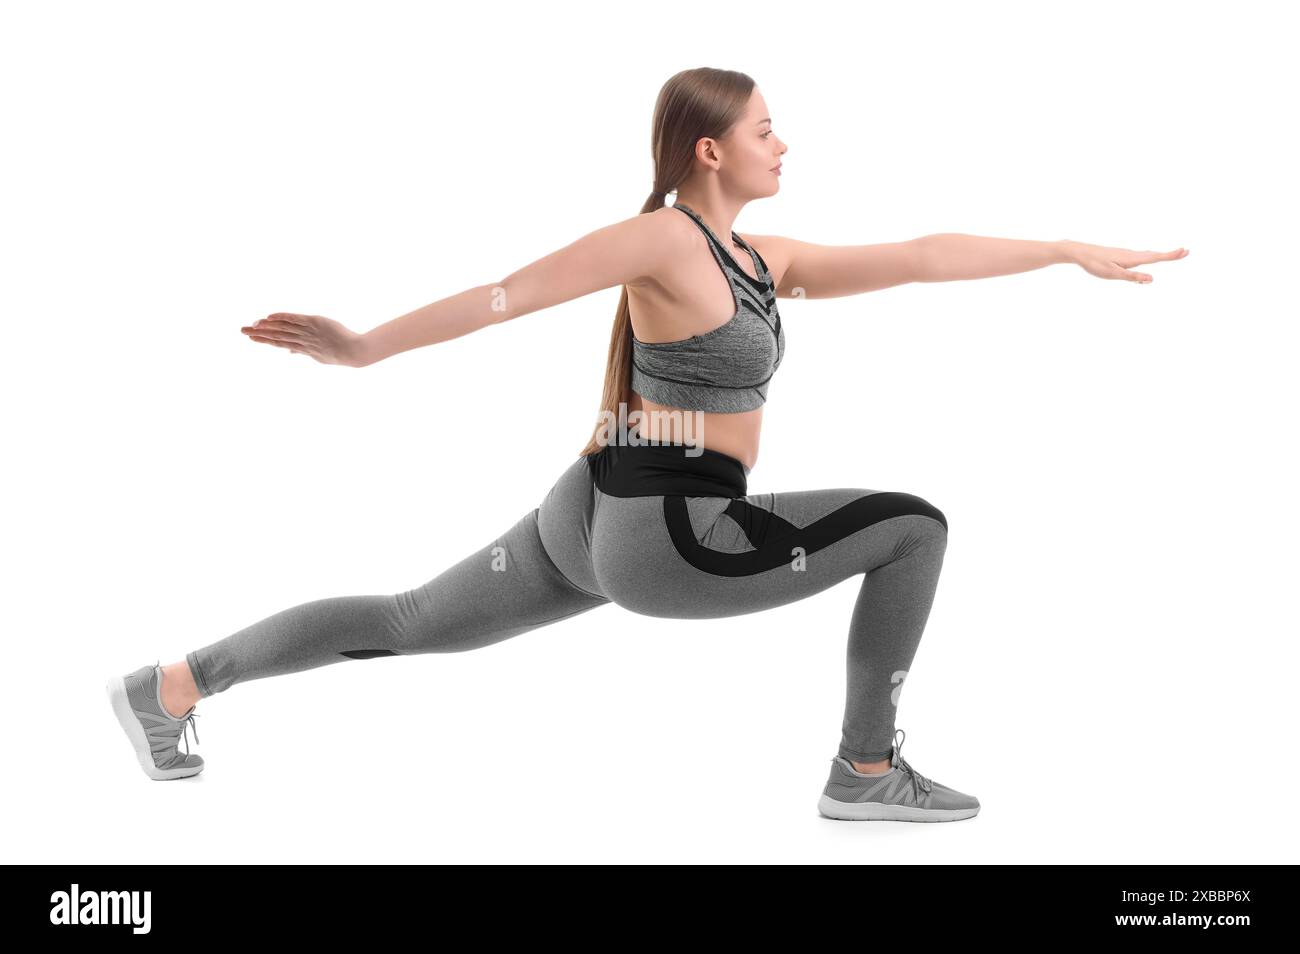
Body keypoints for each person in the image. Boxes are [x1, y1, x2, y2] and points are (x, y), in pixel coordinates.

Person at [106, 67, 1187, 821]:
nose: (784, 142)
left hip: (591, 511)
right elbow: (505, 295)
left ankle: (173, 688)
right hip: (669, 532)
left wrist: (1055, 249)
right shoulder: (664, 236)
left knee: (411, 620)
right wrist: (365, 351)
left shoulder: (756, 256)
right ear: (710, 148)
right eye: (767, 129)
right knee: (913, 530)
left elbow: (915, 255)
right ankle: (864, 769)